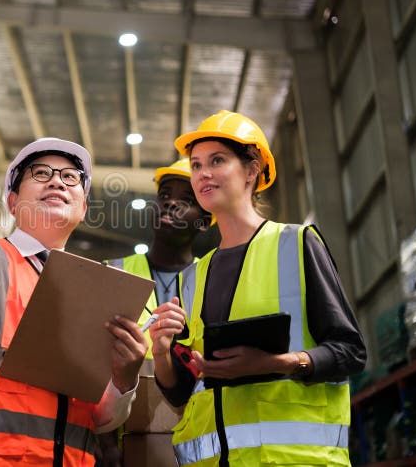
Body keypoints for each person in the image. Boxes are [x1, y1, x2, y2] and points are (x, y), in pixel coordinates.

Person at [0, 6, 149, 467]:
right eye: (40, 173)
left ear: (83, 207)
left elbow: (98, 421)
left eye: (70, 177)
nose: (58, 181)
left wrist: (125, 378)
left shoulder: (94, 293)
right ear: (13, 202)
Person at [148, 110, 367, 467]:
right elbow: (181, 392)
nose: (203, 173)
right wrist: (160, 352)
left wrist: (278, 363)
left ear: (252, 171)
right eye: (197, 165)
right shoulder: (193, 277)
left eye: (217, 161)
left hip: (292, 460)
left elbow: (350, 352)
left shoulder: (296, 243)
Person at [96, 160, 213, 466]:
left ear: (204, 221)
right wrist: (105, 445)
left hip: (198, 447)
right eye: (164, 195)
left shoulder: (214, 279)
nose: (171, 202)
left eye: (186, 200)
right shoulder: (114, 273)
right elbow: (93, 366)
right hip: (124, 444)